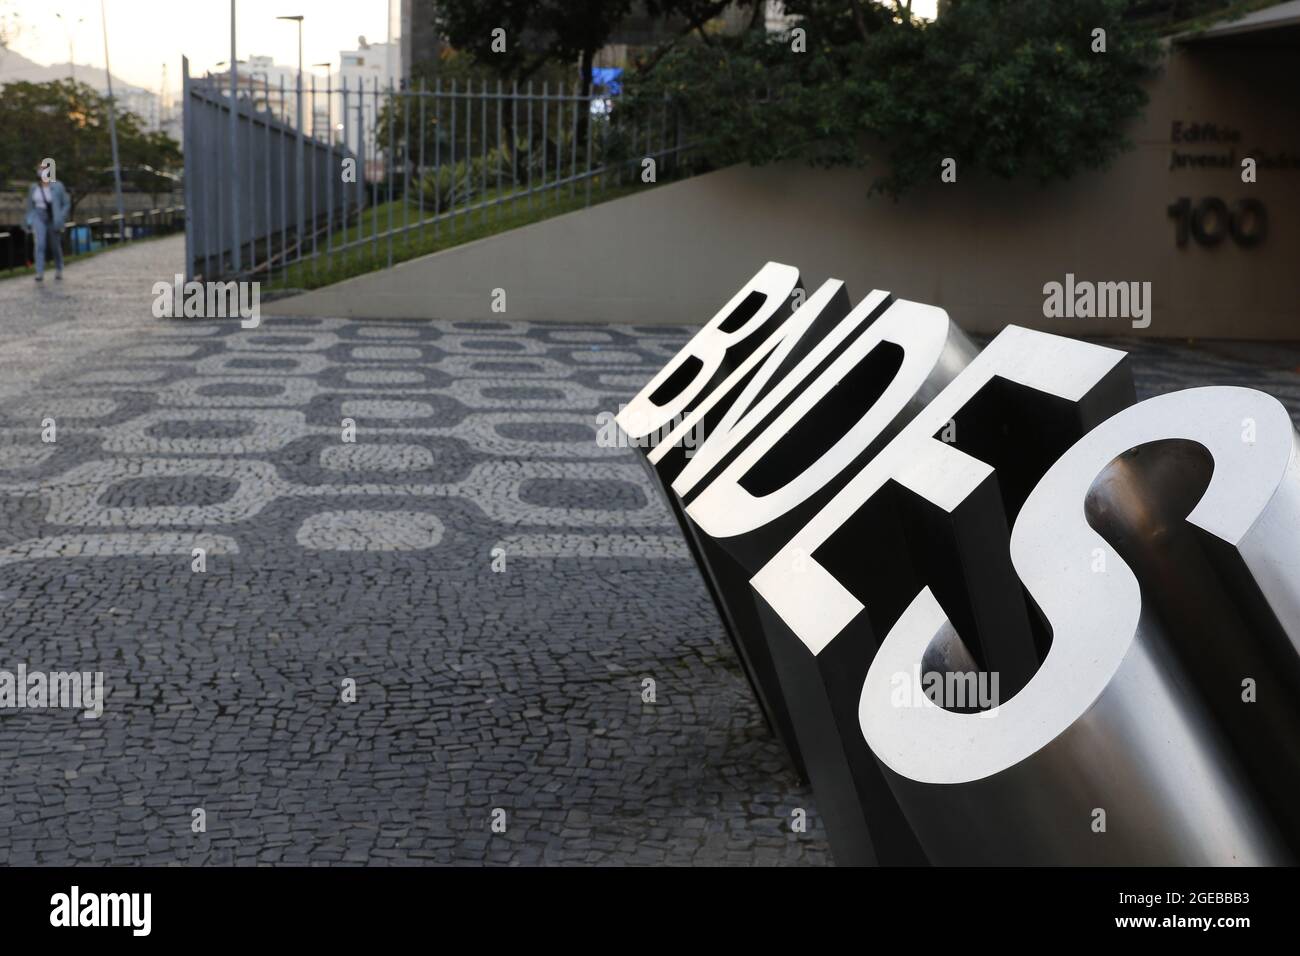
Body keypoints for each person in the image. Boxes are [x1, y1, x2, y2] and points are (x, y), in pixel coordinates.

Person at [24, 164, 70, 282]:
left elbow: (66, 203)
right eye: (40, 169)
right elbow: (30, 206)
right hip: (39, 217)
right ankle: (39, 272)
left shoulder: (57, 186)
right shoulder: (34, 187)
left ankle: (59, 268)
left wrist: (61, 216)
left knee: (55, 246)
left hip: (53, 218)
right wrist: (29, 221)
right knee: (40, 244)